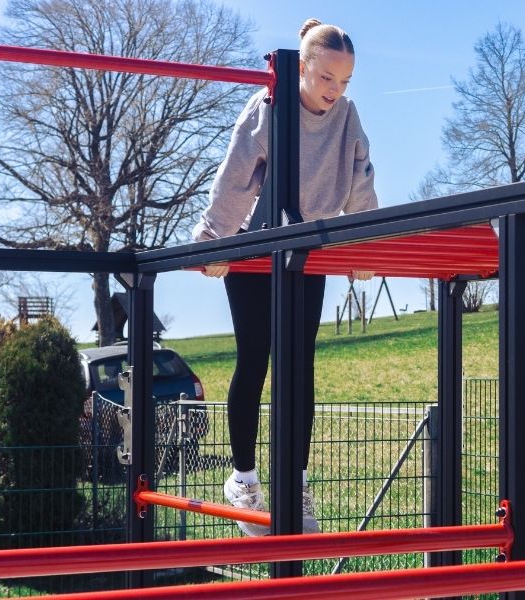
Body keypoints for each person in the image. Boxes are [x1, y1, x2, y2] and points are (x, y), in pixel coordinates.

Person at [192, 18, 378, 536]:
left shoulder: (347, 117)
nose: (334, 92)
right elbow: (236, 174)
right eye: (326, 79)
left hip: (306, 251)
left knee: (300, 368)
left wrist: (363, 239)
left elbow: (362, 178)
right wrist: (216, 240)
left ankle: (294, 483)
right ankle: (243, 479)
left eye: (344, 83)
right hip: (255, 248)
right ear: (303, 68)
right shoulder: (269, 106)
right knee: (256, 358)